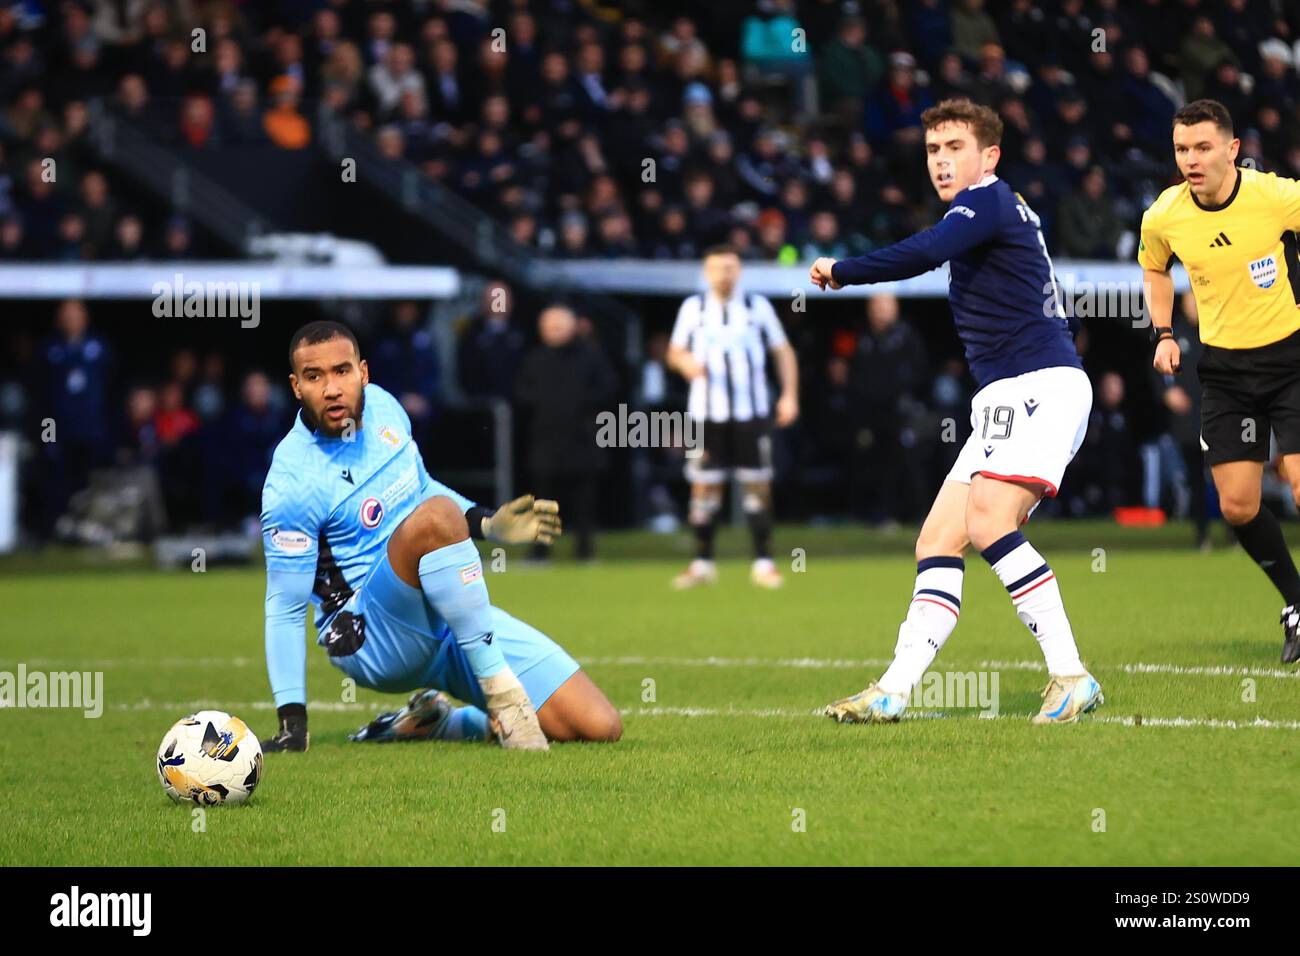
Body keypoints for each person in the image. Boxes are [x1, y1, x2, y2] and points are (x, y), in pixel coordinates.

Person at [810, 98, 1102, 724]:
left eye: (954, 149)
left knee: (992, 520)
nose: (941, 162)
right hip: (1006, 395)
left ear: (989, 156)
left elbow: (925, 250)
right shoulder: (994, 212)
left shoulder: (986, 201)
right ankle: (893, 690)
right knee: (938, 539)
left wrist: (843, 270)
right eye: (933, 151)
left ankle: (1071, 674)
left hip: (1038, 386)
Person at [258, 321, 622, 754]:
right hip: (370, 636)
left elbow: (424, 489)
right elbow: (285, 606)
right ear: (296, 387)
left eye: (342, 371)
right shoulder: (291, 479)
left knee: (599, 725)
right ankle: (505, 700)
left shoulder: (386, 409)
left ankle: (440, 722)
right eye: (315, 377)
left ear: (364, 373)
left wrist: (488, 524)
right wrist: (291, 725)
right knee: (436, 520)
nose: (332, 388)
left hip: (443, 615)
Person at [1141, 99, 1300, 663]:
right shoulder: (1164, 214)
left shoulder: (1275, 195)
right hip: (1227, 372)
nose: (1191, 159)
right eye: (1182, 148)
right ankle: (1296, 602)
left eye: (1203, 147)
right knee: (1236, 504)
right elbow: (1154, 268)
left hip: (1290, 361)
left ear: (1233, 149)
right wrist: (1163, 333)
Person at [666, 244, 799, 589]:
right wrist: (686, 364)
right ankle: (702, 562)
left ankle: (764, 562)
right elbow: (674, 351)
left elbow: (783, 351)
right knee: (704, 489)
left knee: (756, 486)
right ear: (706, 272)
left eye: (729, 268)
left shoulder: (757, 307)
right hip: (706, 415)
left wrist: (789, 395)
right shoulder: (693, 308)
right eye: (716, 268)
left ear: (739, 271)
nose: (723, 274)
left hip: (750, 414)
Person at [514, 304, 618, 561]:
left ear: (573, 327)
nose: (553, 332)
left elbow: (609, 389)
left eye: (559, 326)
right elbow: (522, 393)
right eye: (548, 327)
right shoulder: (535, 359)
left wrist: (579, 405)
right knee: (543, 501)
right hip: (546, 440)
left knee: (585, 500)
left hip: (582, 440)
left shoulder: (591, 357)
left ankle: (585, 551)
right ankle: (540, 551)